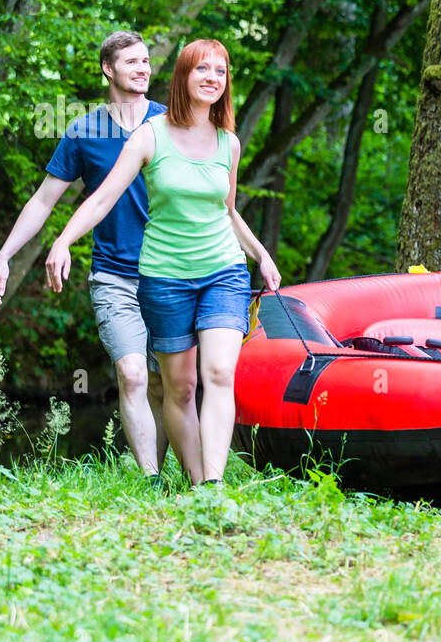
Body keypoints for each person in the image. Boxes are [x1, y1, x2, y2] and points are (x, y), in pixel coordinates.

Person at [44, 39, 281, 486]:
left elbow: (227, 212)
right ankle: (193, 481)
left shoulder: (228, 143)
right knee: (180, 387)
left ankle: (212, 485)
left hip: (223, 272)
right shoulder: (150, 136)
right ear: (183, 77)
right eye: (202, 69)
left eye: (221, 71)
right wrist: (62, 240)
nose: (213, 78)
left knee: (218, 372)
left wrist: (261, 255)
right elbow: (103, 198)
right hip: (164, 277)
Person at [0, 30, 169, 484]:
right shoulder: (84, 131)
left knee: (169, 384)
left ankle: (175, 476)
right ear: (109, 69)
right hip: (114, 276)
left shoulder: (171, 122)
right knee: (132, 375)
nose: (143, 68)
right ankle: (151, 481)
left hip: (171, 273)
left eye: (147, 61)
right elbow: (43, 201)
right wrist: (5, 255)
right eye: (132, 61)